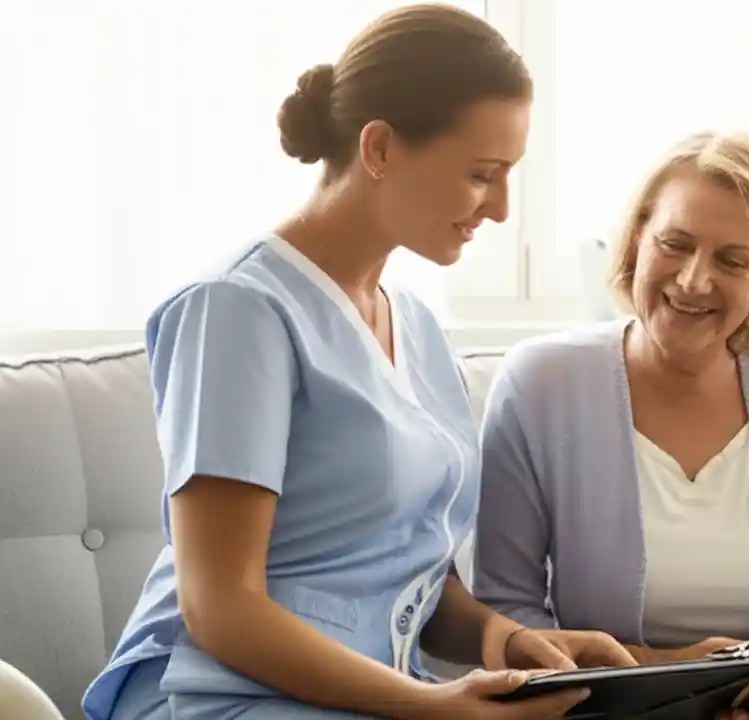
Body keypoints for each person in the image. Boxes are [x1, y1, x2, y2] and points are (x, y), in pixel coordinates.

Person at [83, 5, 636, 720]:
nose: (500, 209)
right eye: (482, 174)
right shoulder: (238, 310)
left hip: (371, 695)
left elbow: (404, 582)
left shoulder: (416, 327)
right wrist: (431, 707)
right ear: (378, 148)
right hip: (214, 696)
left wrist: (507, 638)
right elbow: (219, 605)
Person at [471, 131, 749, 720]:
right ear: (637, 240)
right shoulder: (540, 384)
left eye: (733, 261)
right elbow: (507, 608)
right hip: (617, 706)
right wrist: (660, 666)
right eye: (675, 245)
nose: (694, 280)